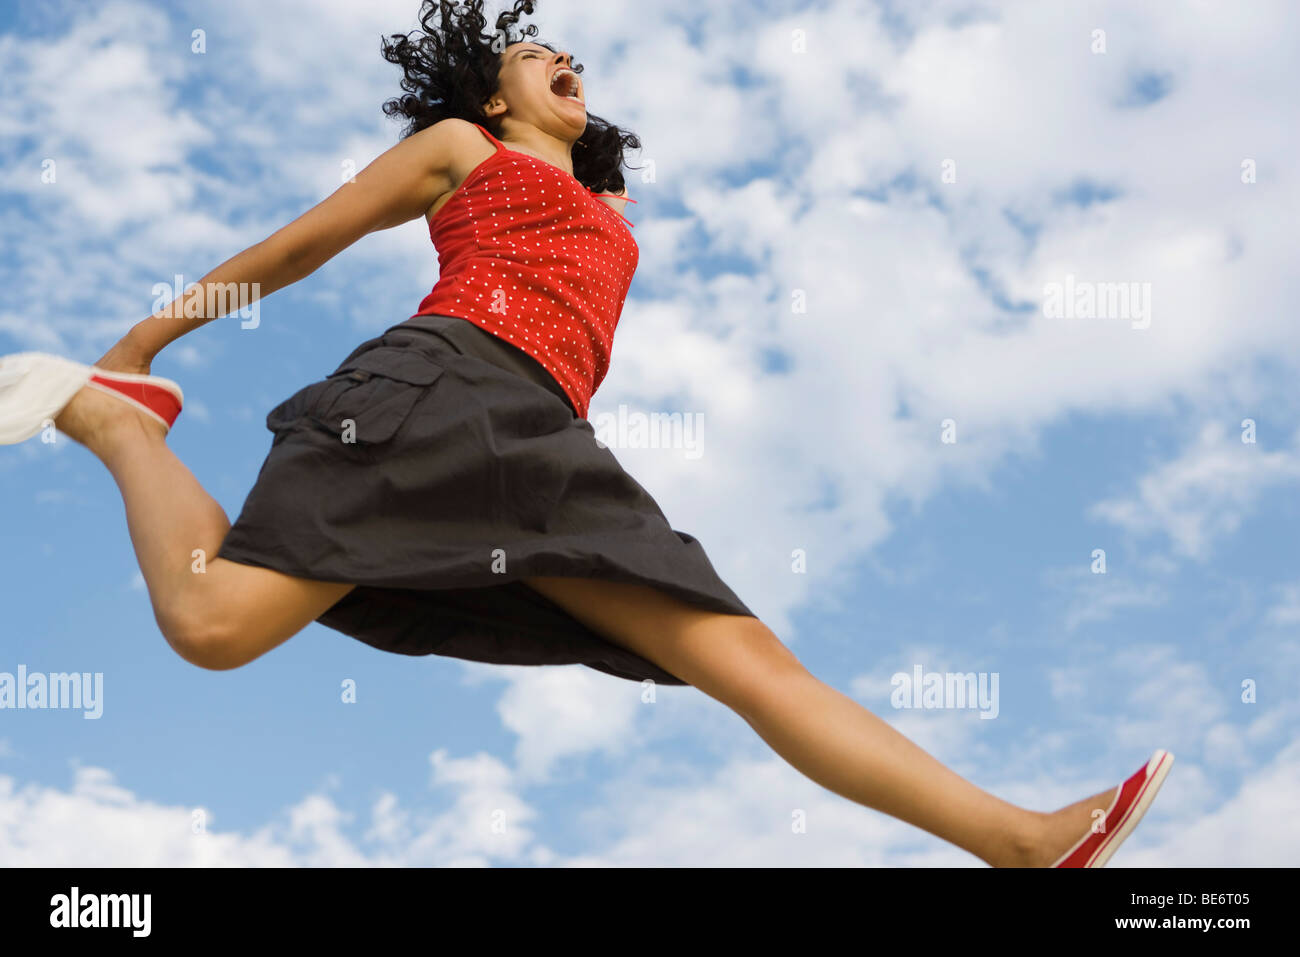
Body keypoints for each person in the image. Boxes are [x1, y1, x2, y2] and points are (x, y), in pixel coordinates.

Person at [0, 0, 1172, 867]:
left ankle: (1021, 844)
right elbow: (302, 245)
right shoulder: (464, 150)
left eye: (571, 57)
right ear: (493, 93)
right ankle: (115, 421)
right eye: (534, 53)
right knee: (213, 626)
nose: (563, 60)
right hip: (436, 384)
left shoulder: (606, 208)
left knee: (746, 658)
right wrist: (144, 343)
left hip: (550, 445)